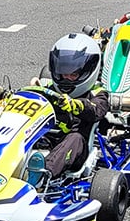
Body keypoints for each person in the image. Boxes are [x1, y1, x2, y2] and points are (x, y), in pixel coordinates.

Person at [41, 33, 109, 178]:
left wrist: (76, 105)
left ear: (88, 71)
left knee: (75, 138)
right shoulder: (49, 89)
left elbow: (96, 110)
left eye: (73, 73)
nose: (66, 77)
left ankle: (43, 175)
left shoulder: (98, 93)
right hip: (45, 138)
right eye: (63, 71)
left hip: (76, 148)